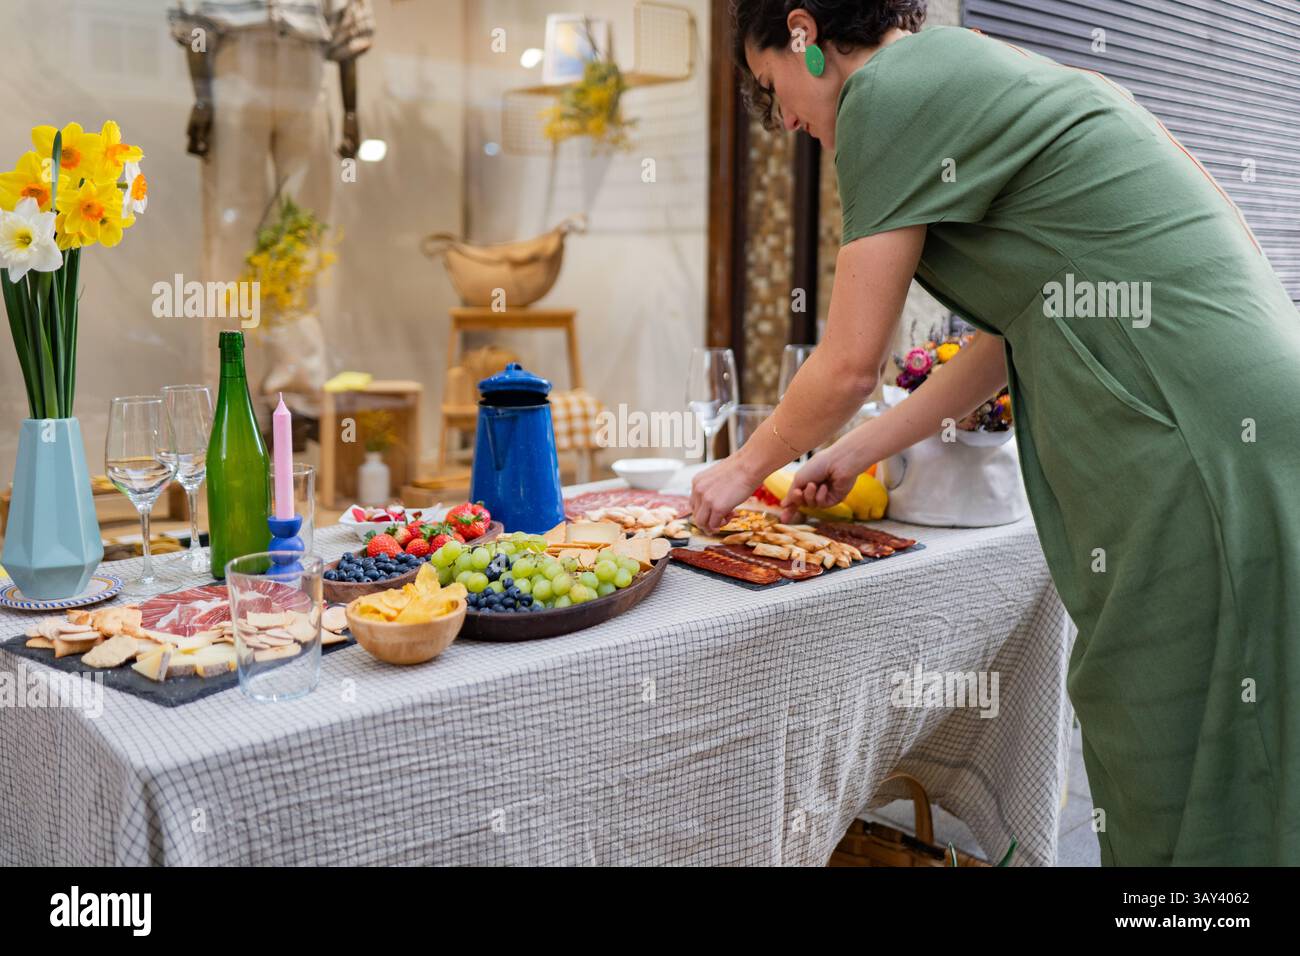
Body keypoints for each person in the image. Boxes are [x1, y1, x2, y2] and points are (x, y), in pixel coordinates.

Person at [691, 0, 1300, 865]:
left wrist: (740, 467)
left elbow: (847, 364)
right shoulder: (961, 65)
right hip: (1239, 410)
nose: (784, 118)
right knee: (1214, 732)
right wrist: (853, 451)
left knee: (1176, 739)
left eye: (770, 86)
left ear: (802, 32)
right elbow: (1009, 334)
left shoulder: (888, 95)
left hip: (1194, 428)